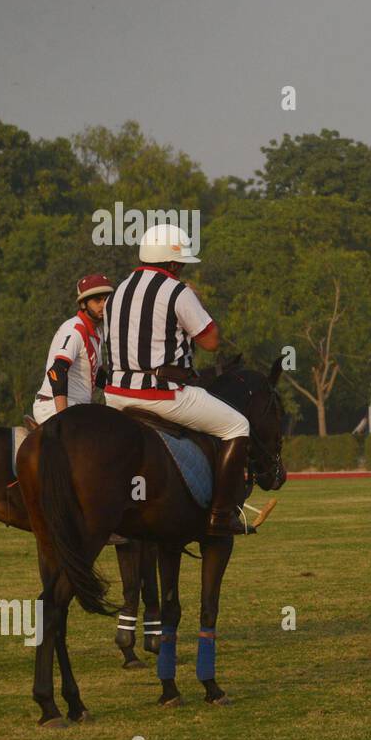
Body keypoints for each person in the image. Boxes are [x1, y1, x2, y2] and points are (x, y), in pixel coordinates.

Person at [103, 224, 251, 536]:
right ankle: (221, 516)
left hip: (115, 395)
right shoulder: (177, 291)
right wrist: (196, 303)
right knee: (238, 426)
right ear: (172, 264)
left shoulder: (117, 292)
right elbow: (211, 341)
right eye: (181, 263)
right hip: (162, 395)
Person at [32, 274, 113, 425]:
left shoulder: (98, 332)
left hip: (78, 408)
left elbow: (99, 376)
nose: (104, 305)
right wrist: (63, 418)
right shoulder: (75, 330)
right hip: (53, 408)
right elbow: (57, 371)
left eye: (107, 299)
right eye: (97, 300)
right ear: (83, 304)